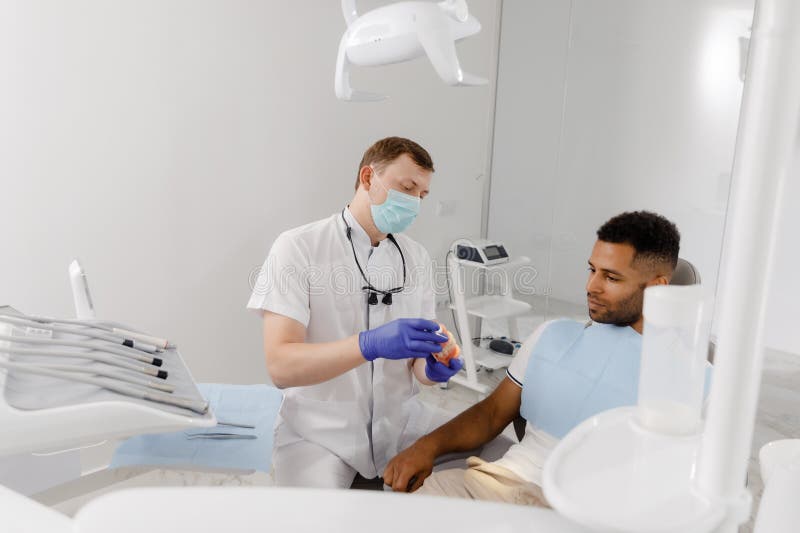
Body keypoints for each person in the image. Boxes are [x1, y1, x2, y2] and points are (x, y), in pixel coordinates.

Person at [383, 211, 683, 503]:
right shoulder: (553, 336)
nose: (591, 286)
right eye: (592, 270)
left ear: (657, 288)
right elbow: (491, 414)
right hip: (495, 484)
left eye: (612, 278)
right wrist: (425, 447)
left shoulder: (689, 379)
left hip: (577, 510)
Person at [247, 137, 463, 489]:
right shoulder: (299, 248)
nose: (414, 203)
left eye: (422, 195)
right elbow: (281, 366)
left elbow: (418, 365)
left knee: (499, 457)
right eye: (407, 188)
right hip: (319, 435)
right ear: (367, 178)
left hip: (400, 425)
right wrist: (368, 344)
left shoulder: (417, 258)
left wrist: (434, 366)